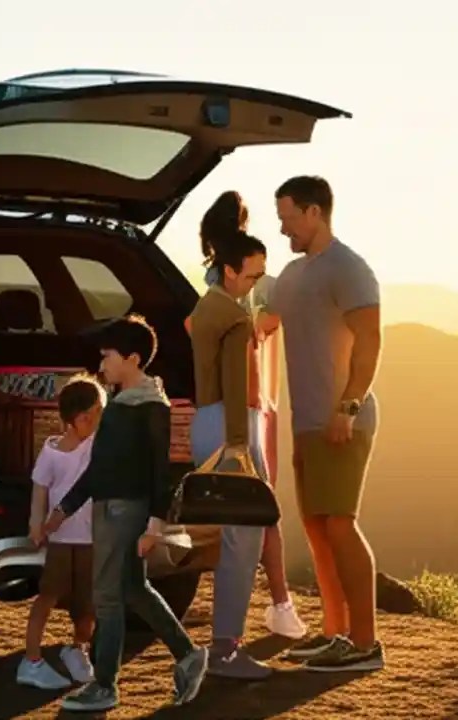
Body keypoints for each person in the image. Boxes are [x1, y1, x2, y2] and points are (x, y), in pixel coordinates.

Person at [41, 314, 209, 712]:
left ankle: (104, 685)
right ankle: (188, 656)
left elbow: (159, 471)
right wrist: (64, 508)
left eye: (108, 356)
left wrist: (154, 525)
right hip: (108, 507)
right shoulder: (119, 404)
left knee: (107, 596)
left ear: (132, 359)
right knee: (133, 589)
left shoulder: (151, 406)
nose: (102, 365)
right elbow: (99, 468)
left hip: (124, 511)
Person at [268, 175, 385, 672]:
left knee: (340, 524)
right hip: (307, 423)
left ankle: (365, 645)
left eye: (289, 218)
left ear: (315, 212)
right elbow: (262, 318)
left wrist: (348, 407)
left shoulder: (349, 268)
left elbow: (370, 341)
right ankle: (335, 633)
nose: (283, 229)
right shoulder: (293, 274)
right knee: (317, 529)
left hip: (343, 420)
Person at [195, 191, 307, 641]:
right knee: (257, 512)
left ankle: (267, 611)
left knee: (245, 518)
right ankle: (269, 610)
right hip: (246, 406)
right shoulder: (248, 284)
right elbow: (278, 310)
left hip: (227, 408)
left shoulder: (220, 283)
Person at [186, 226, 285, 680]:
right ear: (228, 270)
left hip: (206, 421)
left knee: (231, 539)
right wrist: (240, 447)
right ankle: (226, 649)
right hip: (232, 427)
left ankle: (224, 646)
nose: (256, 284)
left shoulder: (205, 308)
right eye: (251, 276)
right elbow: (235, 385)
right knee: (244, 541)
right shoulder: (235, 318)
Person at [18, 374, 105, 689]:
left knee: (87, 604)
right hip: (60, 541)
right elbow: (40, 488)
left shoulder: (98, 447)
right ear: (79, 418)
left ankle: (78, 649)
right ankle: (31, 660)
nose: (98, 421)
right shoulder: (52, 452)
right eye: (95, 414)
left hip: (91, 541)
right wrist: (36, 523)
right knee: (48, 596)